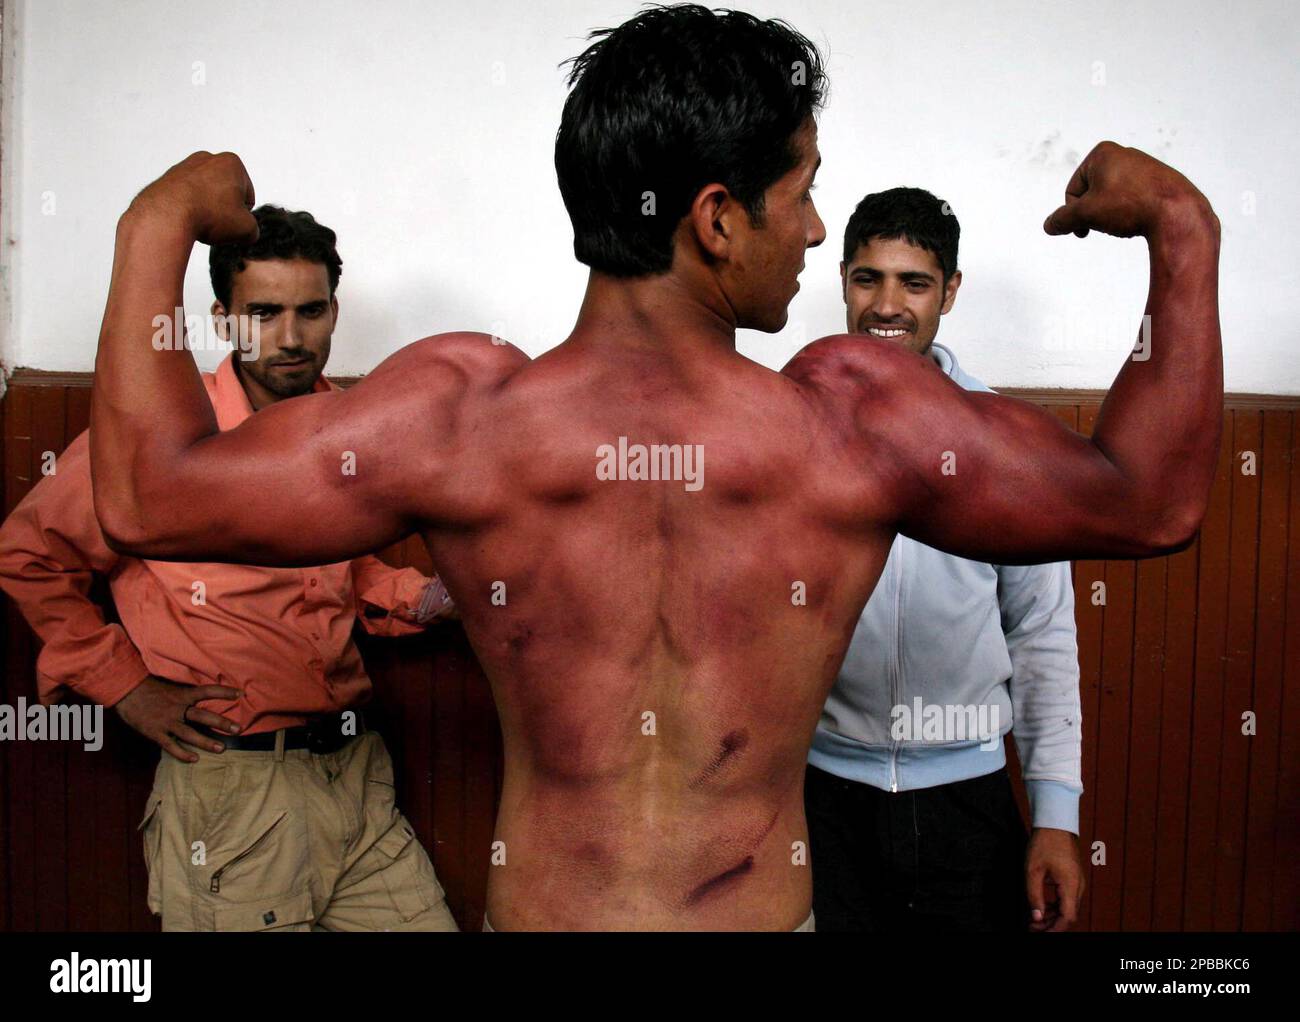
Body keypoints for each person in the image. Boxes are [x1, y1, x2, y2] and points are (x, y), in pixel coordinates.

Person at [86, 6, 1221, 931]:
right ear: (719, 218)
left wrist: (159, 222)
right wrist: (1179, 226)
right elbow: (1149, 496)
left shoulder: (466, 418)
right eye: (803, 188)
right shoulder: (849, 420)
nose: (819, 230)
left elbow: (148, 492)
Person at [0, 205, 459, 931]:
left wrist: (437, 597)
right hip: (234, 790)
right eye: (264, 312)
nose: (289, 336)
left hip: (356, 778)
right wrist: (125, 687)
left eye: (310, 310)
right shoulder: (161, 440)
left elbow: (348, 572)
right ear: (223, 318)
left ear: (335, 311)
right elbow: (27, 555)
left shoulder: (345, 427)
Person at [805, 187, 1084, 932]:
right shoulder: (785, 428)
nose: (887, 304)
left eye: (915, 282)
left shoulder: (1004, 442)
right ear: (842, 281)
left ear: (950, 293)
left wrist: (1056, 813)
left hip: (970, 798)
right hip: (821, 795)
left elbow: (1042, 632)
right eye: (868, 278)